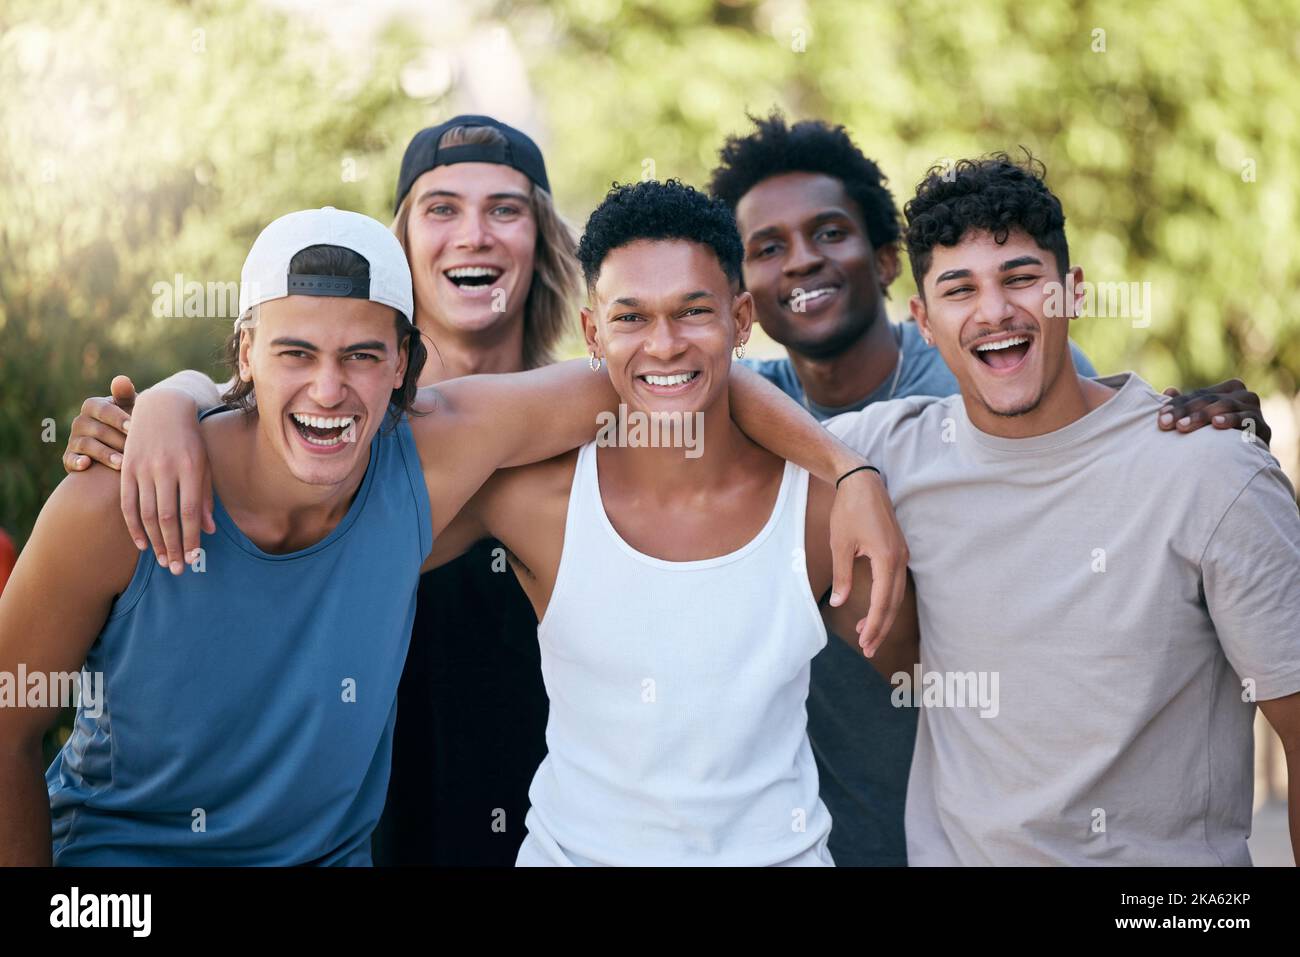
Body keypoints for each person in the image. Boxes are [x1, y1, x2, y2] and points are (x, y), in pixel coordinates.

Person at [0, 206, 904, 865]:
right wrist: (170, 397)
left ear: (406, 364)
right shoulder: (116, 497)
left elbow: (668, 368)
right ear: (244, 356)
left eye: (362, 354)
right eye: (294, 353)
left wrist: (846, 467)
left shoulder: (427, 463)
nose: (328, 388)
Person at [709, 112, 1275, 866]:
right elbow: (680, 389)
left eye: (1020, 279)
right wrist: (846, 469)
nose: (995, 308)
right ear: (926, 315)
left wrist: (1203, 440)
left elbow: (1078, 427)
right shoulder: (856, 436)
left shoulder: (1188, 460)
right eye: (767, 248)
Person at [63, 115, 575, 865]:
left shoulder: (571, 439)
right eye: (442, 208)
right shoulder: (302, 439)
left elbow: (666, 375)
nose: (474, 235)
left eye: (505, 208)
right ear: (399, 252)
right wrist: (177, 398)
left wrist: (820, 459)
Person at [422, 178, 915, 865]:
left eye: (692, 312)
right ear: (592, 331)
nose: (664, 344)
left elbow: (918, 680)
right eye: (630, 318)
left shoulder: (823, 513)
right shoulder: (536, 500)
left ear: (741, 320)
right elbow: (370, 504)